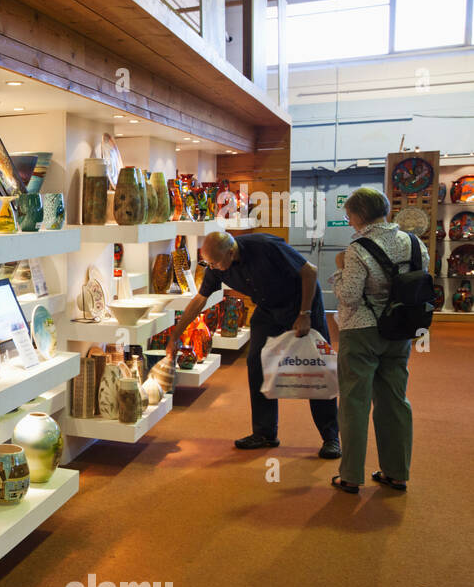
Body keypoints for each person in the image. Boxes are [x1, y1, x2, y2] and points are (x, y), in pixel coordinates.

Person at [167, 230, 340, 458]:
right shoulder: (217, 264)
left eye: (215, 262)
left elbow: (310, 271)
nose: (213, 267)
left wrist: (305, 313)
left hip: (301, 304)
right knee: (257, 363)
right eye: (208, 263)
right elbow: (200, 299)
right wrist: (176, 334)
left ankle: (331, 438)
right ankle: (265, 433)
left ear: (230, 252)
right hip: (268, 309)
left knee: (315, 368)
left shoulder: (266, 246)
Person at [327, 187, 428, 494]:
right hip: (400, 329)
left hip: (362, 331)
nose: (348, 220)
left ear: (358, 215)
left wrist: (340, 269)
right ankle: (396, 473)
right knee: (395, 401)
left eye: (348, 215)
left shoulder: (359, 248)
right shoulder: (414, 243)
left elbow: (350, 296)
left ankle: (351, 476)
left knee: (355, 403)